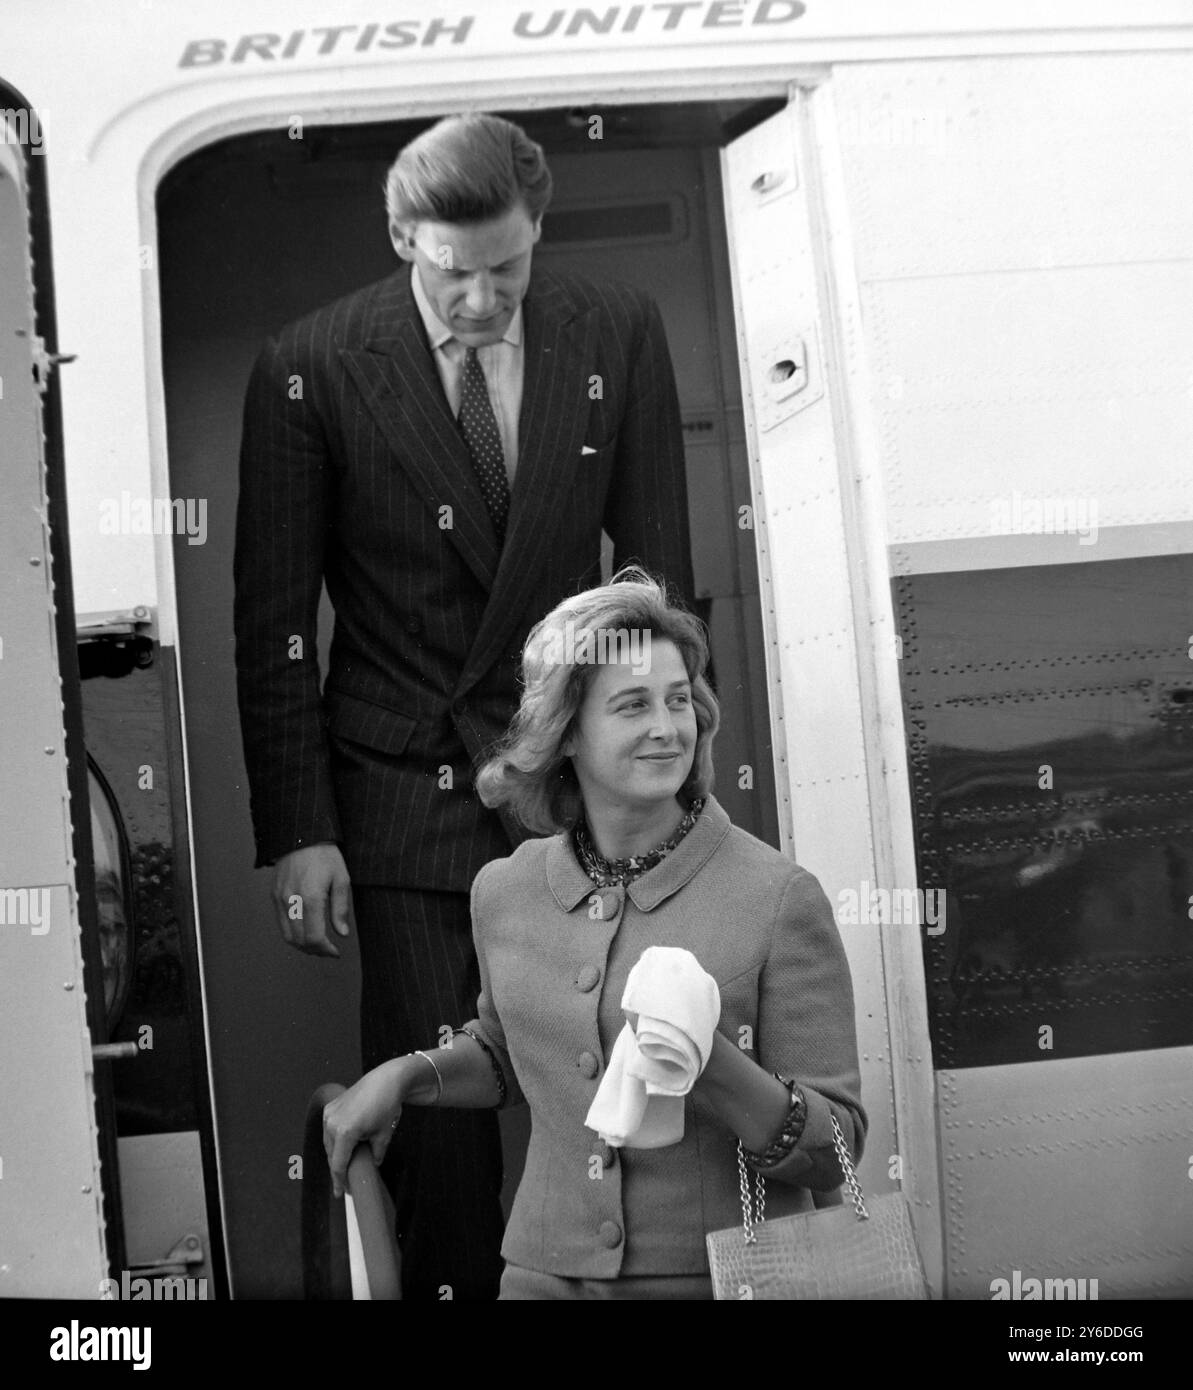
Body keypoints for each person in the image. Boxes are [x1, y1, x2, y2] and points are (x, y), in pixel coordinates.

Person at [233, 115, 694, 1301]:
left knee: (620, 1084)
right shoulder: (312, 363)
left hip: (575, 789)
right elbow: (274, 624)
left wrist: (670, 787)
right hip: (401, 800)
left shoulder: (619, 333)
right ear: (400, 236)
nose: (483, 297)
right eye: (453, 270)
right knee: (439, 1128)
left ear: (536, 228)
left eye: (508, 265)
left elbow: (653, 583)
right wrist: (302, 828)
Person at [323, 569, 865, 1299]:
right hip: (540, 1277)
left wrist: (704, 1063)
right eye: (633, 705)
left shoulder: (775, 897)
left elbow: (835, 1148)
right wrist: (409, 1074)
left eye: (678, 701)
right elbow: (513, 1054)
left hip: (722, 1281)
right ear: (566, 731)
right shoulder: (504, 891)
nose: (666, 727)